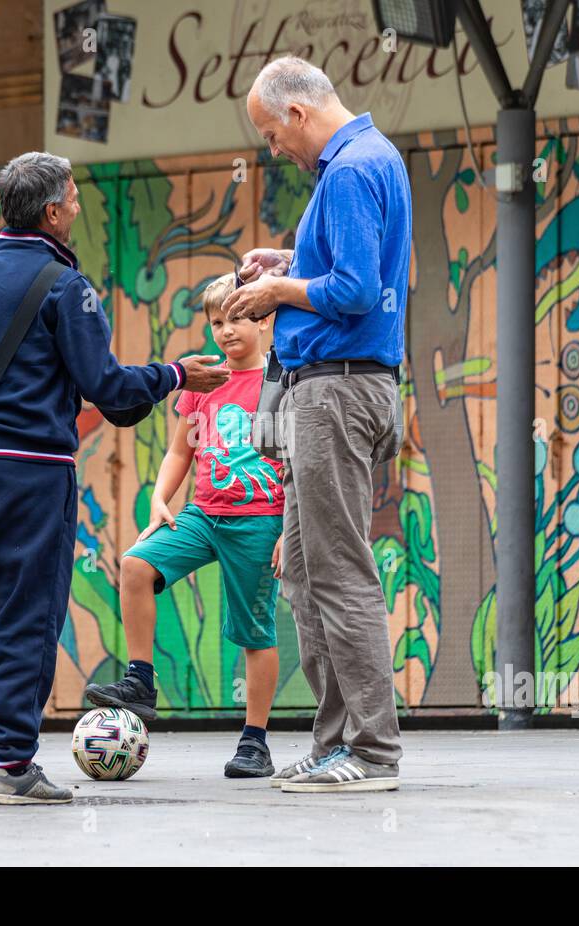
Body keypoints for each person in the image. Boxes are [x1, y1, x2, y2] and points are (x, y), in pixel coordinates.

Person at [0, 151, 230, 806]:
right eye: (72, 198)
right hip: (35, 476)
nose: (77, 206)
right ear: (50, 212)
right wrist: (177, 375)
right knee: (27, 616)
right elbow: (110, 389)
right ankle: (15, 766)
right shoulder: (65, 287)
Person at [224, 56, 411, 793]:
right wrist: (290, 260)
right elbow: (341, 268)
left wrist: (276, 288)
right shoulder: (368, 160)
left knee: (338, 572)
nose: (275, 150)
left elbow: (357, 290)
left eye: (272, 136)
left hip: (336, 393)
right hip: (325, 393)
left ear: (298, 114)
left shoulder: (350, 170)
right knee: (303, 571)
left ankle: (371, 752)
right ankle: (336, 743)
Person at [83, 273, 285, 778]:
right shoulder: (204, 382)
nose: (226, 330)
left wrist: (291, 528)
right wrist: (158, 496)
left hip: (259, 519)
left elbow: (299, 460)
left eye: (238, 318)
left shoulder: (280, 383)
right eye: (217, 322)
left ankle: (255, 742)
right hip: (202, 512)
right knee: (134, 565)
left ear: (264, 320)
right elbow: (180, 449)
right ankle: (140, 681)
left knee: (254, 631)